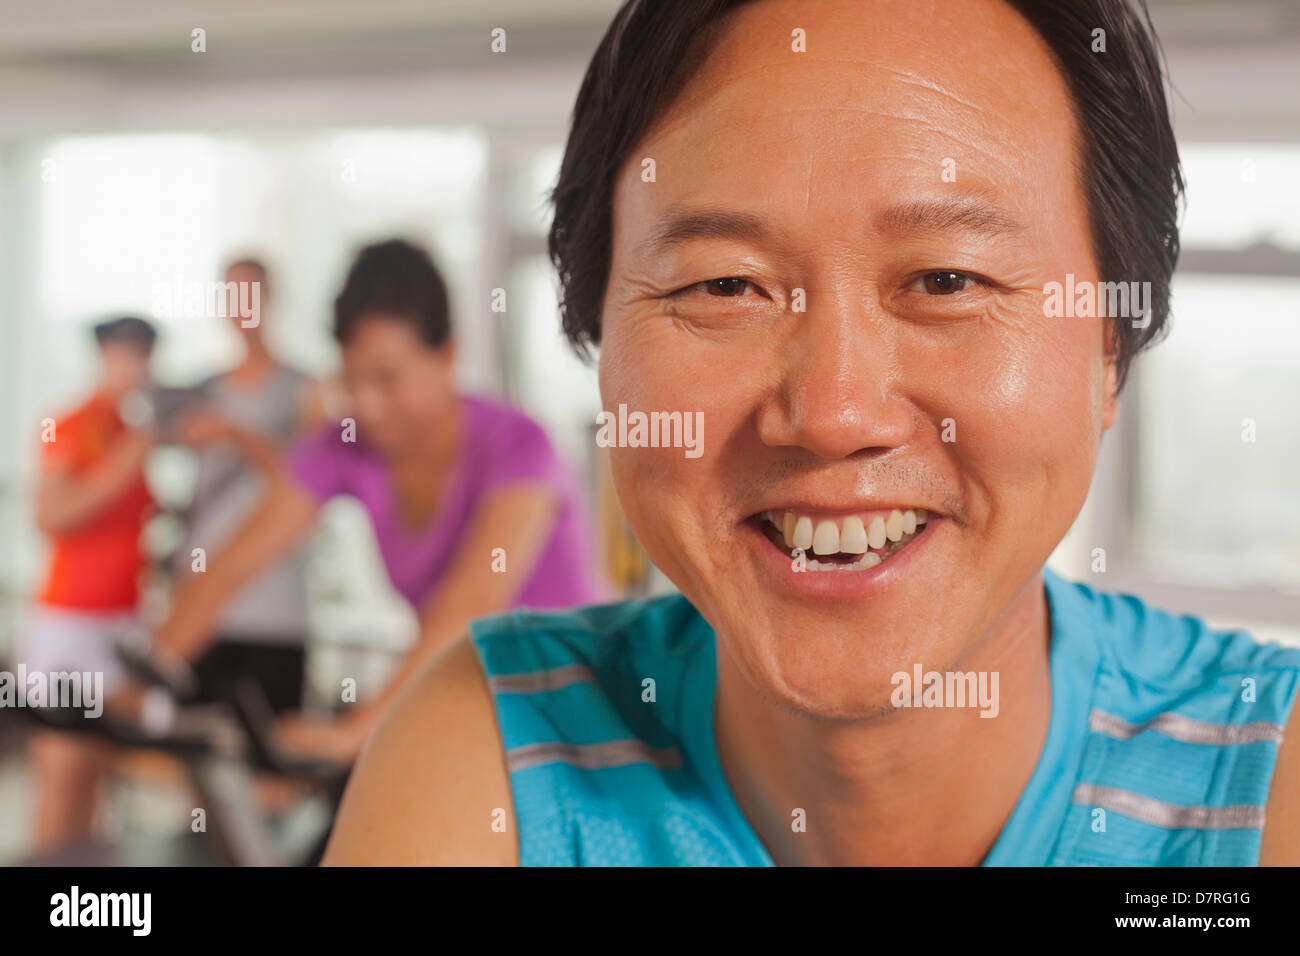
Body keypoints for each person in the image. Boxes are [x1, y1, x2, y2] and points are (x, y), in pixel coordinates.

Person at [323, 0, 1300, 866]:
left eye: (946, 280)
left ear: (1108, 352)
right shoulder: (494, 749)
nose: (832, 413)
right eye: (723, 286)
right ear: (595, 342)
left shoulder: (1265, 777)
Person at [149, 238, 608, 763]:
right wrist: (148, 673)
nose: (368, 405)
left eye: (387, 379)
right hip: (471, 707)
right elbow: (234, 562)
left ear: (448, 355)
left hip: (578, 719)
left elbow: (471, 602)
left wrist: (356, 732)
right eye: (353, 380)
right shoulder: (344, 443)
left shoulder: (519, 444)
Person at [22, 315, 157, 853]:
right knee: (61, 775)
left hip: (122, 622)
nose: (134, 367)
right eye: (124, 354)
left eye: (142, 356)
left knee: (99, 776)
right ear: (102, 356)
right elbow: (50, 514)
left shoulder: (135, 432)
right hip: (69, 623)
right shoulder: (69, 423)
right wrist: (125, 465)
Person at [171, 258, 325, 718]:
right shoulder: (201, 389)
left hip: (273, 612)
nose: (241, 308)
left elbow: (311, 482)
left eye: (250, 294)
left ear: (271, 300)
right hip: (203, 610)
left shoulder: (305, 389)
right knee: (192, 751)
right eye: (231, 295)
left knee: (270, 770)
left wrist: (238, 436)